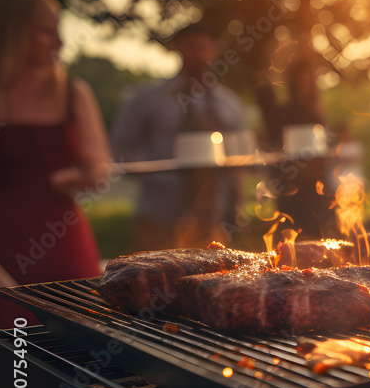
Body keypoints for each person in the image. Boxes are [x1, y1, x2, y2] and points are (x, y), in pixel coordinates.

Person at [0, 0, 109, 293]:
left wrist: (61, 180)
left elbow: (98, 170)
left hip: (60, 238)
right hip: (2, 248)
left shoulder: (74, 93)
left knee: (77, 330)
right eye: (46, 31)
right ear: (10, 32)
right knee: (12, 337)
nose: (59, 41)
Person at [112, 23, 248, 250]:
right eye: (192, 47)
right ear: (178, 49)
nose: (199, 54)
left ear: (214, 52)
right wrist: (158, 174)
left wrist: (236, 208)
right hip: (160, 217)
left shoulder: (229, 104)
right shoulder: (147, 99)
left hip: (214, 220)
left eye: (205, 48)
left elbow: (242, 155)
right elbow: (121, 149)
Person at [257, 57, 335, 238]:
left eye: (310, 76)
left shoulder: (317, 110)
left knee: (320, 234)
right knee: (294, 233)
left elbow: (323, 146)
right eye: (302, 76)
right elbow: (275, 143)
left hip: (317, 183)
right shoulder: (283, 111)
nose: (307, 81)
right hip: (292, 183)